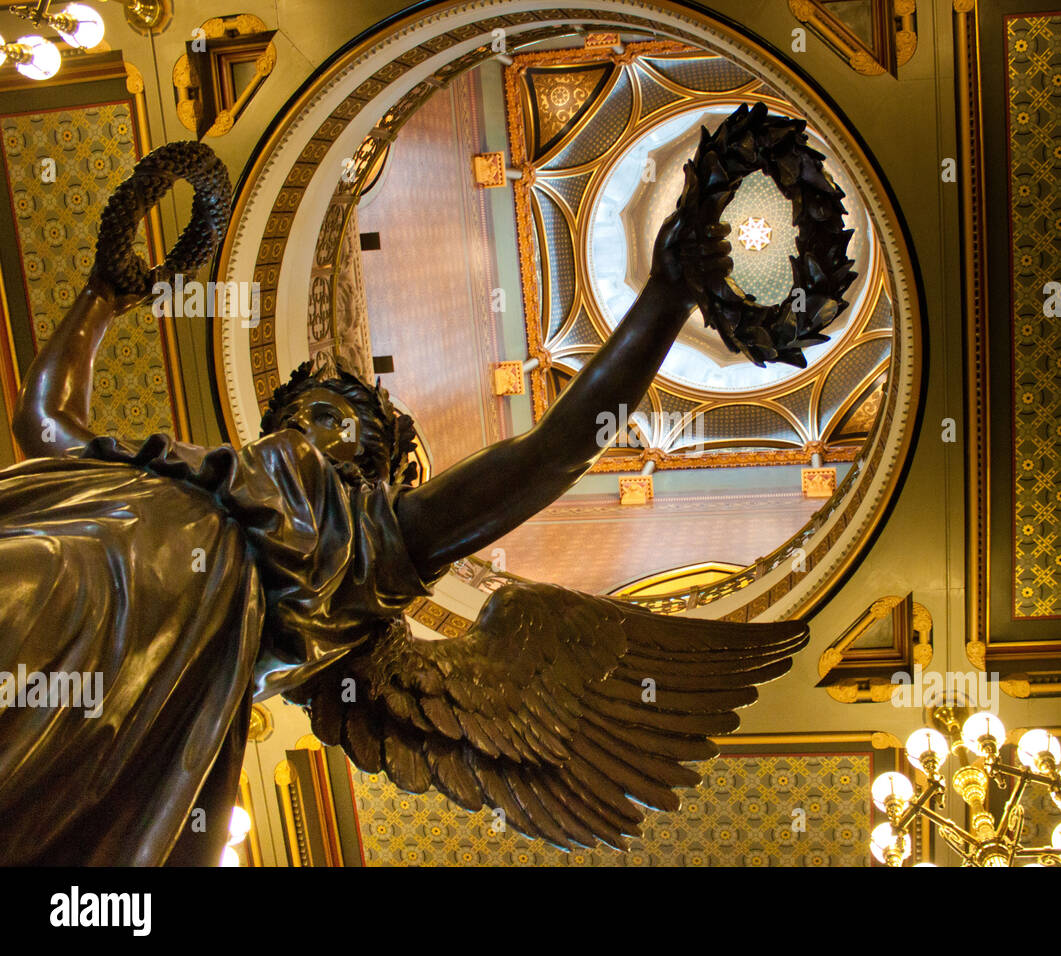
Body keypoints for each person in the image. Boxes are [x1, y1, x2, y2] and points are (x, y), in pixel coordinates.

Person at [0, 175, 752, 863]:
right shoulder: (182, 468)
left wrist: (665, 298)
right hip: (67, 549)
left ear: (374, 462)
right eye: (292, 416)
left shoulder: (365, 542)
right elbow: (47, 427)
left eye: (332, 419)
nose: (300, 430)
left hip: (144, 657)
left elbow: (549, 454)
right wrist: (102, 296)